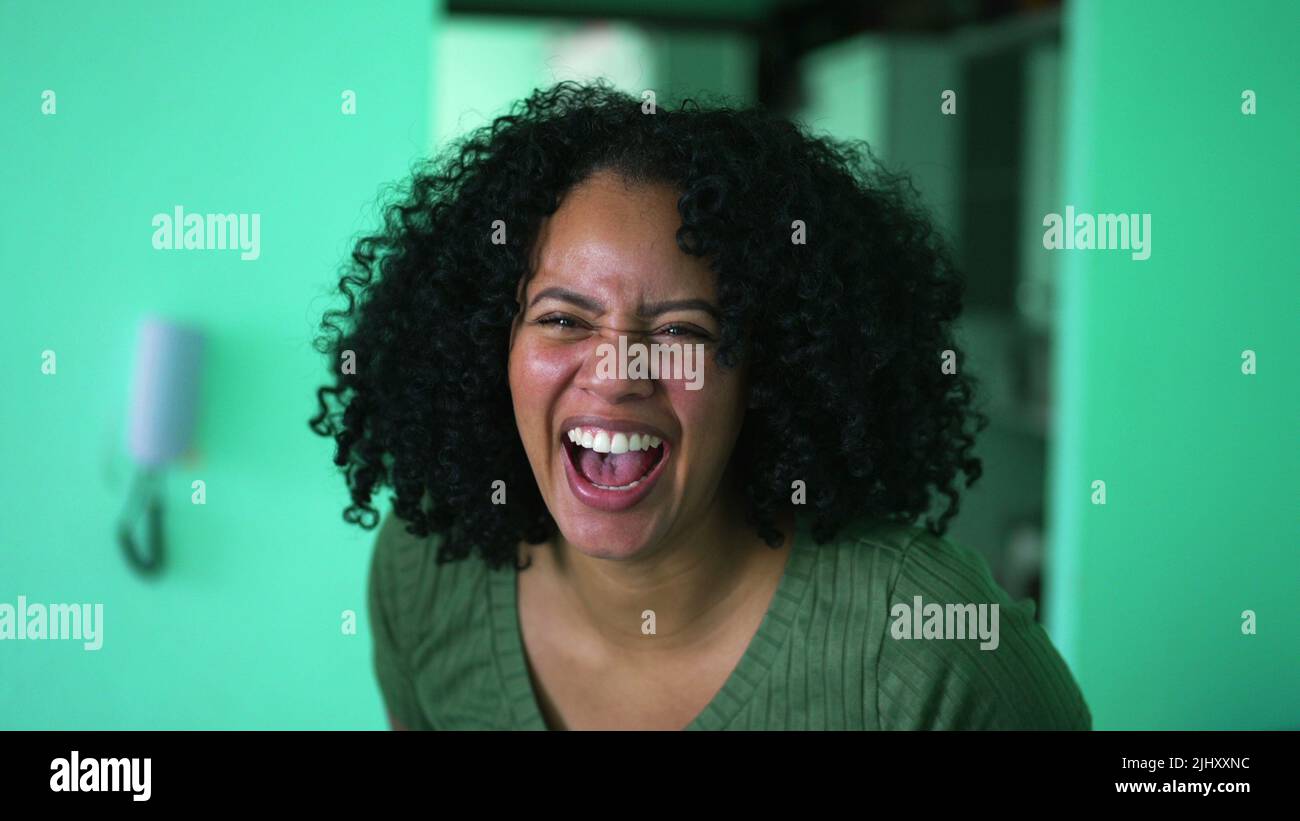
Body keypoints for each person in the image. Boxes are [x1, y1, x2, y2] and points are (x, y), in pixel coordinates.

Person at [309, 80, 1091, 731]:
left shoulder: (931, 650)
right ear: (490, 349)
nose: (616, 373)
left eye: (682, 328)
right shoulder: (427, 574)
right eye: (562, 319)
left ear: (772, 369)